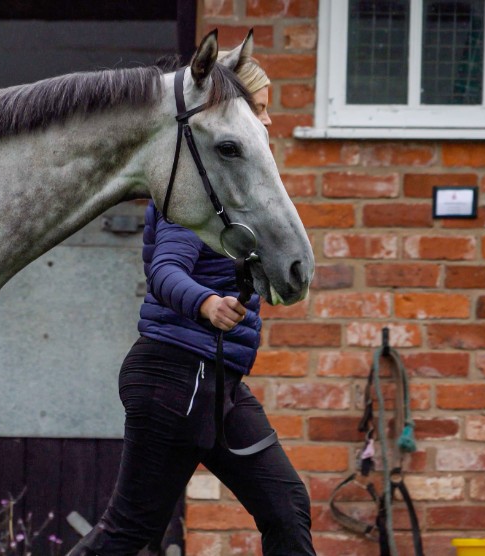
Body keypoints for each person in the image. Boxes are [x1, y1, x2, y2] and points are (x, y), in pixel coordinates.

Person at [68, 56, 315, 556]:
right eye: (259, 108)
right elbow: (164, 272)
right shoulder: (193, 197)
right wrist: (206, 304)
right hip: (175, 376)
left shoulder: (235, 194)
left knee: (286, 507)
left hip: (218, 381)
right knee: (130, 530)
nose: (267, 120)